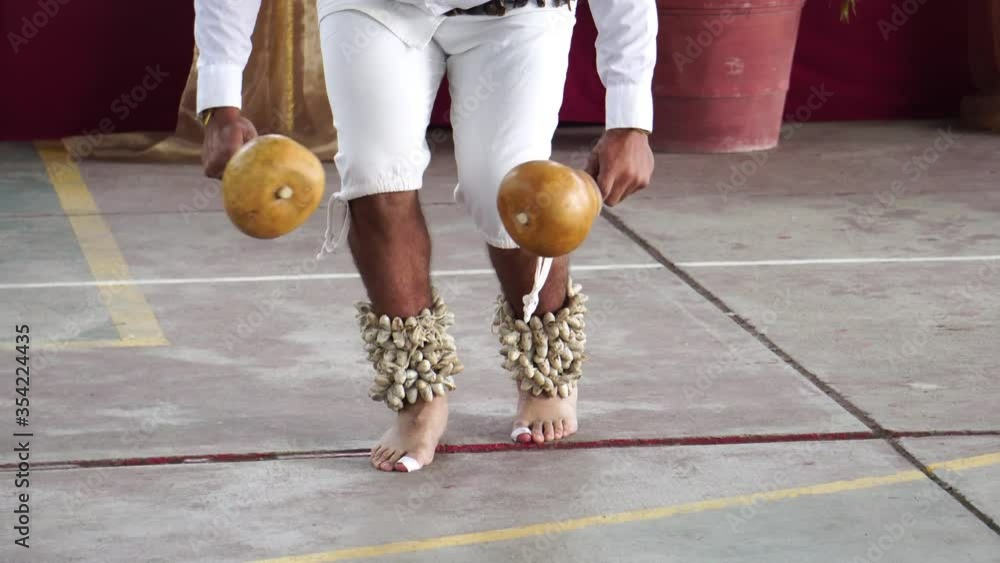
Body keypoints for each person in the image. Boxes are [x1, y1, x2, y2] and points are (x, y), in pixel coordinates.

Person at [195, 0, 656, 473]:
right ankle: (418, 393)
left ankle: (546, 366)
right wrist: (220, 100)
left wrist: (630, 115)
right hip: (374, 9)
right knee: (375, 177)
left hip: (520, 14)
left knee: (516, 191)